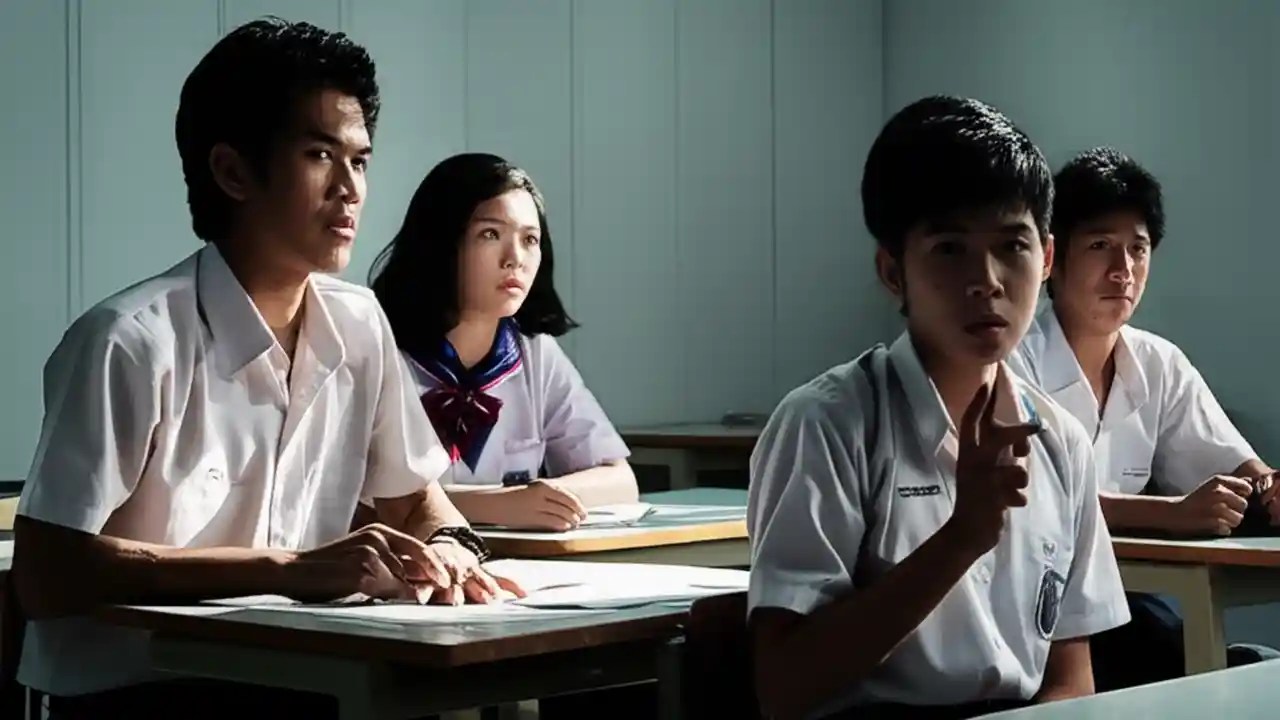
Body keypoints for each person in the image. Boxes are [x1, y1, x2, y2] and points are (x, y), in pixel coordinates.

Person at [11, 19, 518, 718]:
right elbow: (46, 574)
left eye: (361, 161)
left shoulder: (359, 321)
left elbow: (412, 495)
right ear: (232, 171)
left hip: (299, 677)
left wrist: (451, 544)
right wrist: (291, 570)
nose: (350, 189)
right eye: (320, 155)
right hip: (137, 694)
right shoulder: (128, 341)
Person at [746, 96, 1130, 720]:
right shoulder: (828, 424)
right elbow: (785, 687)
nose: (988, 280)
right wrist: (962, 538)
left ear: (1049, 259)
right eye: (950, 249)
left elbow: (1071, 679)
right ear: (893, 272)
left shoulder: (1059, 439)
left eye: (1012, 246)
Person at [1008, 147, 1279, 690]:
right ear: (1052, 259)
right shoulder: (1014, 359)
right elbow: (1032, 503)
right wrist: (1170, 514)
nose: (1123, 270)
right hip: (1028, 615)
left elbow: (1243, 471)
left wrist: (1270, 488)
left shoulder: (1157, 361)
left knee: (1253, 667)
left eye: (1139, 249)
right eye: (1101, 246)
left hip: (1125, 605)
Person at [368, 152, 637, 532]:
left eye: (530, 240)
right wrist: (494, 505)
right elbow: (354, 502)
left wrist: (542, 497)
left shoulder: (535, 353)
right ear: (440, 241)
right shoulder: (375, 348)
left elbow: (619, 479)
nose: (515, 259)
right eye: (490, 234)